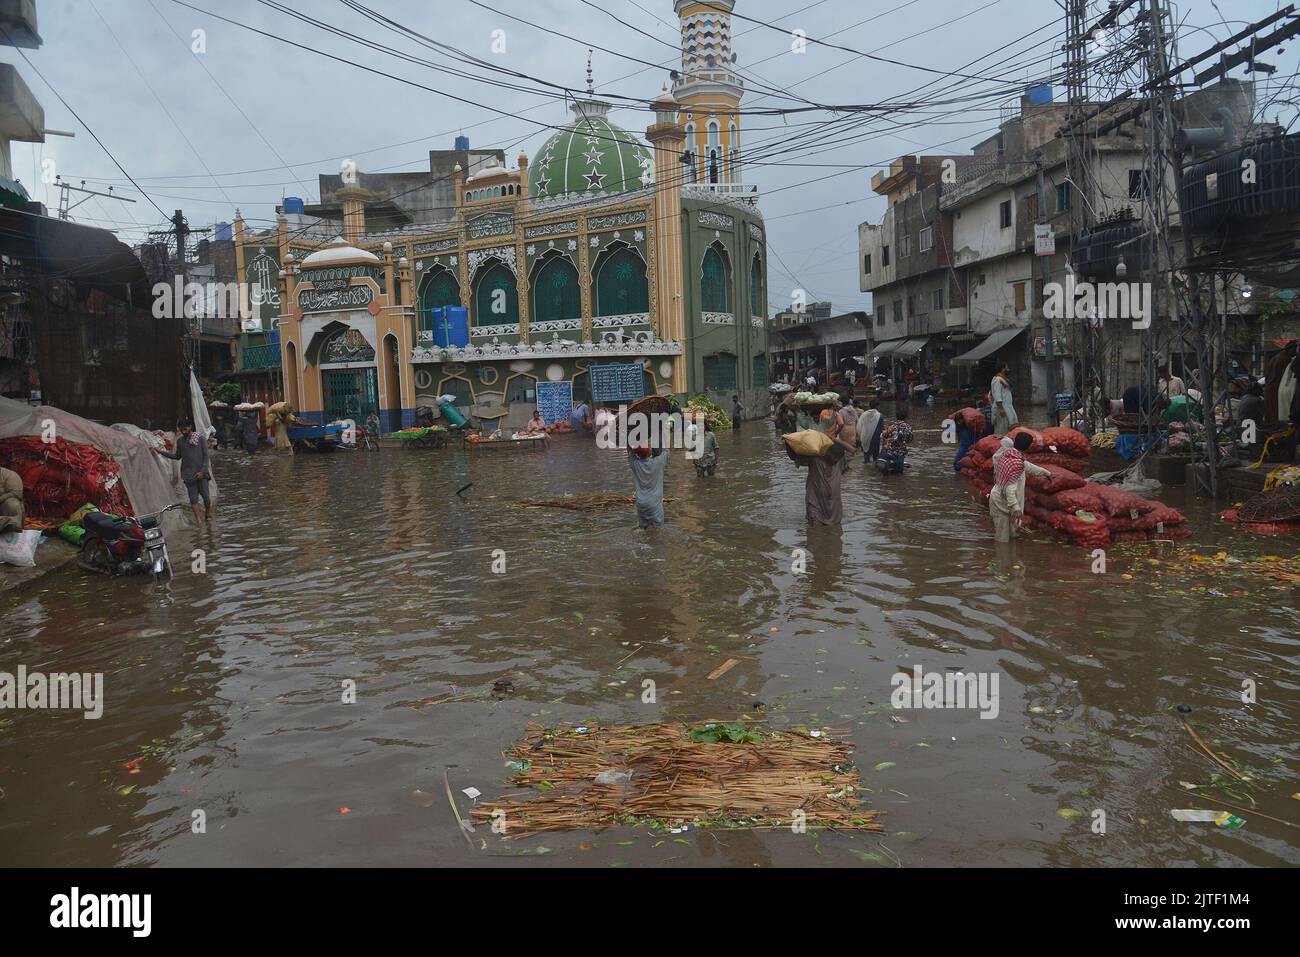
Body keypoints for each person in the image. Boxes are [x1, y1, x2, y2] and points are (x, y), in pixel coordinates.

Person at [988, 432, 1051, 543]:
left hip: (1004, 500)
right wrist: (1016, 508)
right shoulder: (1016, 463)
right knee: (1002, 539)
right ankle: (1002, 557)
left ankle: (1011, 558)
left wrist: (1047, 473)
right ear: (1028, 447)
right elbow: (1009, 490)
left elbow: (1028, 466)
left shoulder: (1009, 454)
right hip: (1001, 502)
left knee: (1011, 534)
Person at [153, 421, 212, 525]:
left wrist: (203, 471)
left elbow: (206, 456)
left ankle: (207, 513)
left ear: (190, 427)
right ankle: (198, 521)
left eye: (185, 428)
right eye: (181, 429)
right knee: (193, 499)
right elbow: (177, 456)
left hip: (202, 474)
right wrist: (161, 452)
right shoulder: (180, 441)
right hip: (188, 474)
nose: (183, 431)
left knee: (206, 497)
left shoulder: (200, 438)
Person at [627, 445, 668, 528]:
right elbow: (667, 451)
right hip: (654, 504)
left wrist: (634, 448)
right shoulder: (658, 462)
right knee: (658, 529)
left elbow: (629, 451)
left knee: (643, 528)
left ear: (637, 453)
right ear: (650, 452)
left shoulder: (635, 463)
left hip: (641, 504)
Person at [877, 404, 913, 474]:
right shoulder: (908, 428)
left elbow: (882, 436)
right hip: (900, 453)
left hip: (889, 452)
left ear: (896, 417)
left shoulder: (891, 426)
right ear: (906, 417)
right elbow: (909, 440)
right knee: (899, 474)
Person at [990, 365, 1017, 433]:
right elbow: (997, 395)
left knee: (1011, 428)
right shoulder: (997, 380)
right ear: (1003, 369)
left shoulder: (1003, 379)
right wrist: (1001, 409)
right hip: (1002, 408)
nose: (1009, 369)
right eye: (1007, 368)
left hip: (1007, 407)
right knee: (1001, 431)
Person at [0, 465, 24, 534]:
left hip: (4, 507)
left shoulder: (11, 475)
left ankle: (10, 526)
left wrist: (1, 498)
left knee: (13, 504)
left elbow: (17, 493)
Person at [859, 399, 884, 464]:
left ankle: (865, 470)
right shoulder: (880, 416)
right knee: (875, 458)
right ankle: (873, 471)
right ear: (877, 406)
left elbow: (859, 427)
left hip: (865, 436)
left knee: (866, 456)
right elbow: (881, 429)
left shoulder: (864, 414)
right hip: (875, 438)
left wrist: (860, 437)